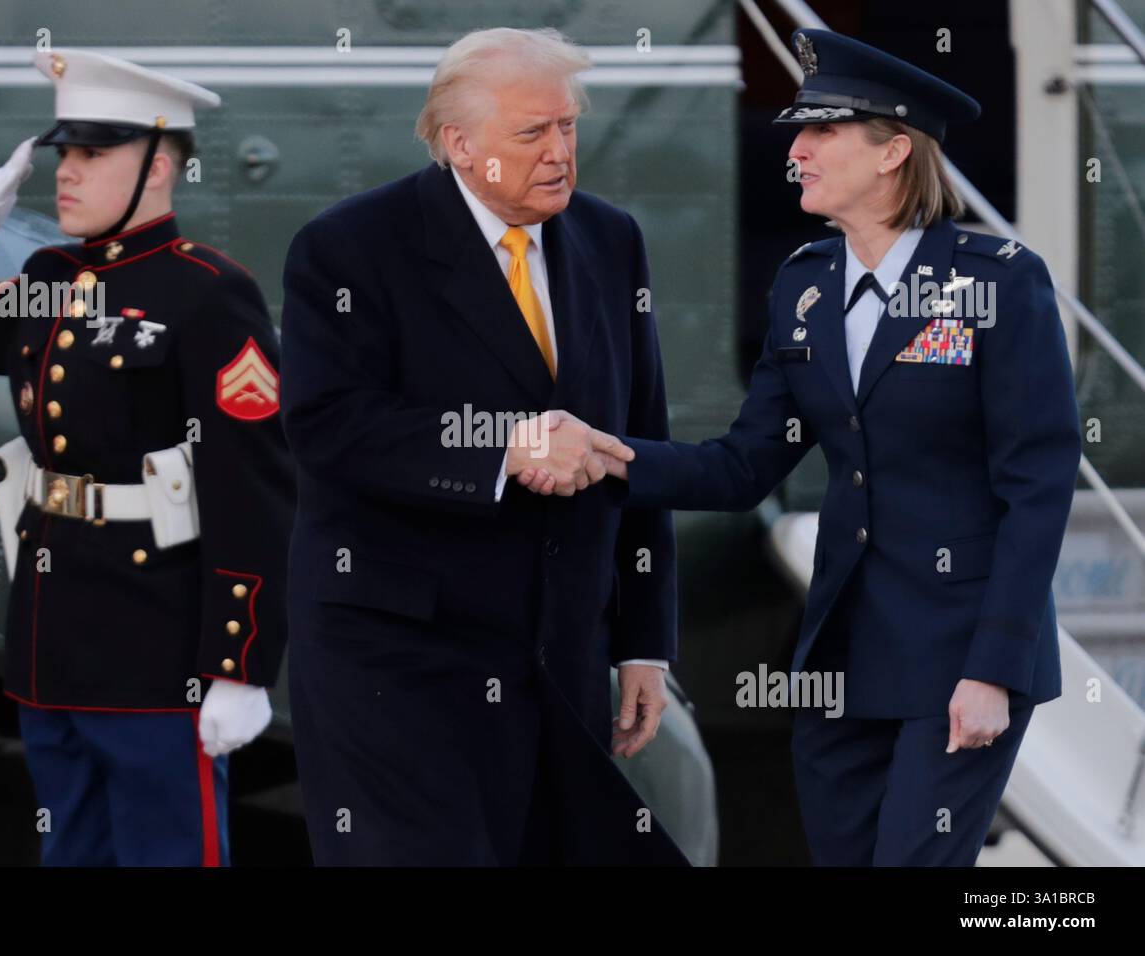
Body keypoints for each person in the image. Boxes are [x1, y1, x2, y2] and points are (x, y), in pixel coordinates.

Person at [523, 29, 1082, 865]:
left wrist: (995, 669)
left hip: (960, 654)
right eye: (799, 129)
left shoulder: (997, 281)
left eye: (823, 132)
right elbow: (744, 464)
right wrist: (606, 454)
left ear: (894, 150)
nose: (799, 148)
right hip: (843, 657)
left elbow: (1038, 484)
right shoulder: (806, 284)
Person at [279, 27, 687, 865]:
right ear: (459, 145)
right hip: (401, 664)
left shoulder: (613, 244)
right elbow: (329, 425)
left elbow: (638, 441)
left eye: (567, 127)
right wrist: (505, 447)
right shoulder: (351, 248)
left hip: (559, 662)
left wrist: (644, 641)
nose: (559, 153)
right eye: (531, 134)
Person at [0, 49, 295, 866]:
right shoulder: (48, 277)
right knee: (73, 848)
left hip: (156, 646)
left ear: (160, 167)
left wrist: (239, 666)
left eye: (92, 154)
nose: (65, 173)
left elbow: (253, 488)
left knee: (168, 851)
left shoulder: (207, 295)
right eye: (63, 152)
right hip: (50, 633)